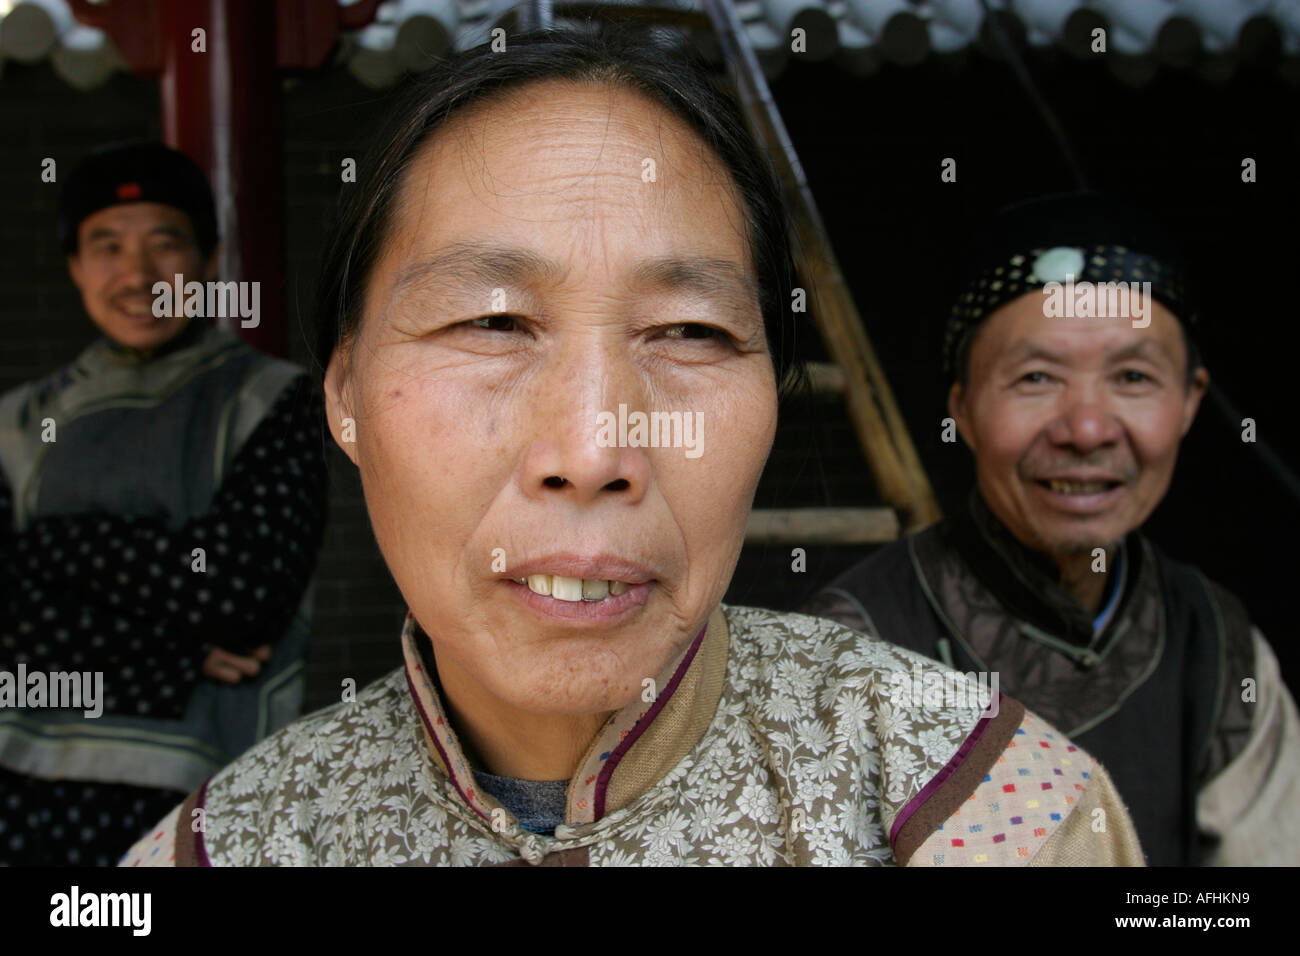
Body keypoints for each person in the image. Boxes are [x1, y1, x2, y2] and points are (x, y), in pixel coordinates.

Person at [124, 32, 1141, 867]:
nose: (595, 445)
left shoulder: (981, 803)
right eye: (491, 321)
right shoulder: (227, 848)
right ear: (346, 397)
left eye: (690, 332)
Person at [804, 192, 1300, 865]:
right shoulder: (848, 652)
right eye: (1036, 376)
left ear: (1189, 403)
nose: (1087, 430)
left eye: (1132, 376)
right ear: (964, 409)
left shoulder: (1219, 648)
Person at [0, 142, 328, 865]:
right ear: (75, 268)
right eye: (107, 246)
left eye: (165, 244)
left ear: (209, 261)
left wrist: (51, 549)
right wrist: (174, 655)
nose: (138, 275)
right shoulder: (18, 422)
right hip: (17, 790)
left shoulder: (269, 400)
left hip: (202, 794)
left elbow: (245, 596)